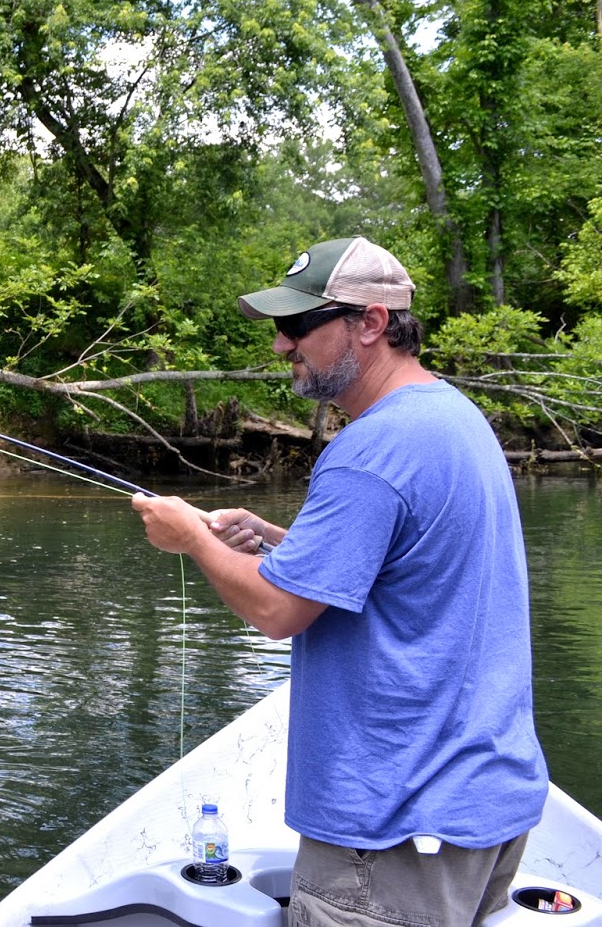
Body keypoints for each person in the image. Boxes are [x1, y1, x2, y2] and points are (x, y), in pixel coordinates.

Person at [131, 236, 548, 927]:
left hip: (393, 828)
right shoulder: (452, 418)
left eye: (297, 327)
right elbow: (410, 570)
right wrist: (278, 541)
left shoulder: (371, 450)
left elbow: (276, 609)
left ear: (372, 322)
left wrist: (193, 540)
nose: (279, 346)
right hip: (484, 808)